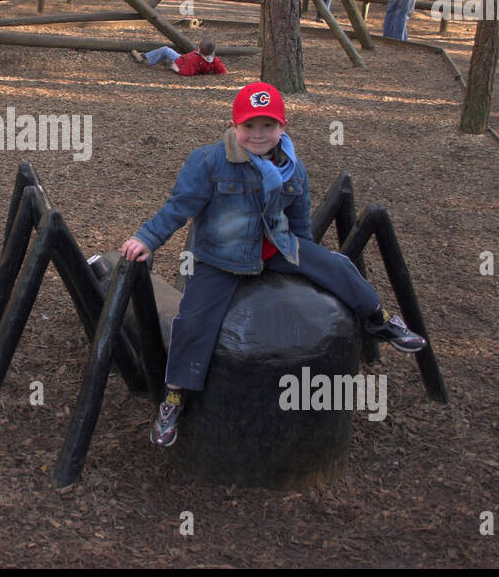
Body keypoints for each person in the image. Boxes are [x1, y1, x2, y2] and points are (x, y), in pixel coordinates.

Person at [121, 82, 427, 447]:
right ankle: (174, 396)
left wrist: (307, 262)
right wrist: (147, 238)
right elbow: (179, 207)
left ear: (283, 127)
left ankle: (377, 319)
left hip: (278, 246)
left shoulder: (293, 169)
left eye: (267, 125)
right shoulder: (209, 162)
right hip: (222, 256)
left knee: (338, 266)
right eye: (249, 126)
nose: (258, 134)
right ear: (235, 126)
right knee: (194, 322)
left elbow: (298, 221)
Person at [130, 34, 226, 75]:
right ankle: (162, 59)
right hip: (184, 59)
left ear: (199, 49)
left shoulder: (193, 59)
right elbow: (221, 70)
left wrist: (177, 69)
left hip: (180, 61)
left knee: (165, 50)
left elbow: (188, 72)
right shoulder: (215, 60)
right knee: (169, 53)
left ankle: (144, 57)